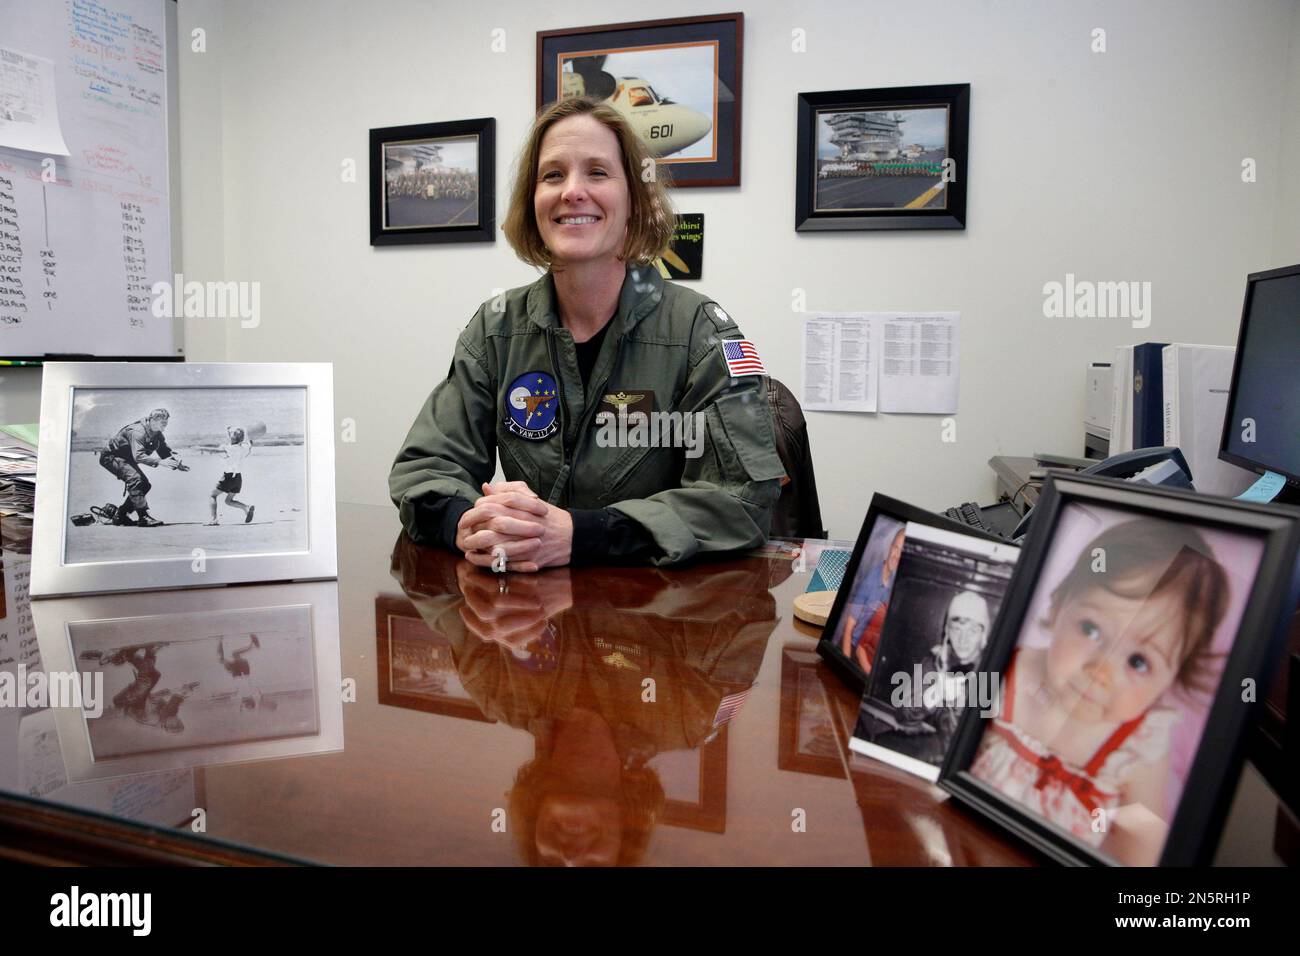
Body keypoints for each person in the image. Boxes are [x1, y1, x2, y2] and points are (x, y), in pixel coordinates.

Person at [388, 97, 784, 571]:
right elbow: (426, 468)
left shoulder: (700, 334)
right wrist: (470, 522)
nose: (572, 191)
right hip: (524, 614)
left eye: (597, 172)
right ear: (532, 201)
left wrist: (580, 535)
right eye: (553, 175)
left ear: (636, 199)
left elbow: (741, 500)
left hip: (656, 618)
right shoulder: (496, 328)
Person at [970, 518, 1229, 865]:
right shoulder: (1008, 670)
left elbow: (1140, 842)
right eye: (1090, 629)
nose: (1101, 670)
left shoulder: (1137, 746)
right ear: (1060, 605)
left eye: (1138, 662)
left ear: (1171, 680)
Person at [98, 408, 184, 527]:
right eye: (162, 423)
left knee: (144, 485)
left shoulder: (157, 433)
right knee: (135, 480)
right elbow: (138, 456)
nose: (165, 425)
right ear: (153, 420)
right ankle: (143, 517)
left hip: (126, 459)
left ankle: (121, 515)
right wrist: (159, 462)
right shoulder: (138, 431)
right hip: (111, 457)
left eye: (166, 423)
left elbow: (163, 450)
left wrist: (176, 463)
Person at [840, 525, 905, 673]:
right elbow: (849, 629)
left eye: (903, 552)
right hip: (859, 652)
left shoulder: (898, 583)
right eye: (896, 548)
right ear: (890, 547)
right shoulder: (870, 581)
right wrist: (845, 668)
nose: (897, 555)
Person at [207, 426, 255, 526]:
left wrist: (201, 448)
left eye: (231, 434)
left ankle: (213, 519)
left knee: (213, 495)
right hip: (238, 478)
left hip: (228, 477)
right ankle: (246, 507)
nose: (229, 435)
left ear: (233, 438)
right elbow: (249, 445)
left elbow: (218, 451)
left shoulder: (230, 448)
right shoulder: (244, 448)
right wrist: (249, 440)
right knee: (228, 501)